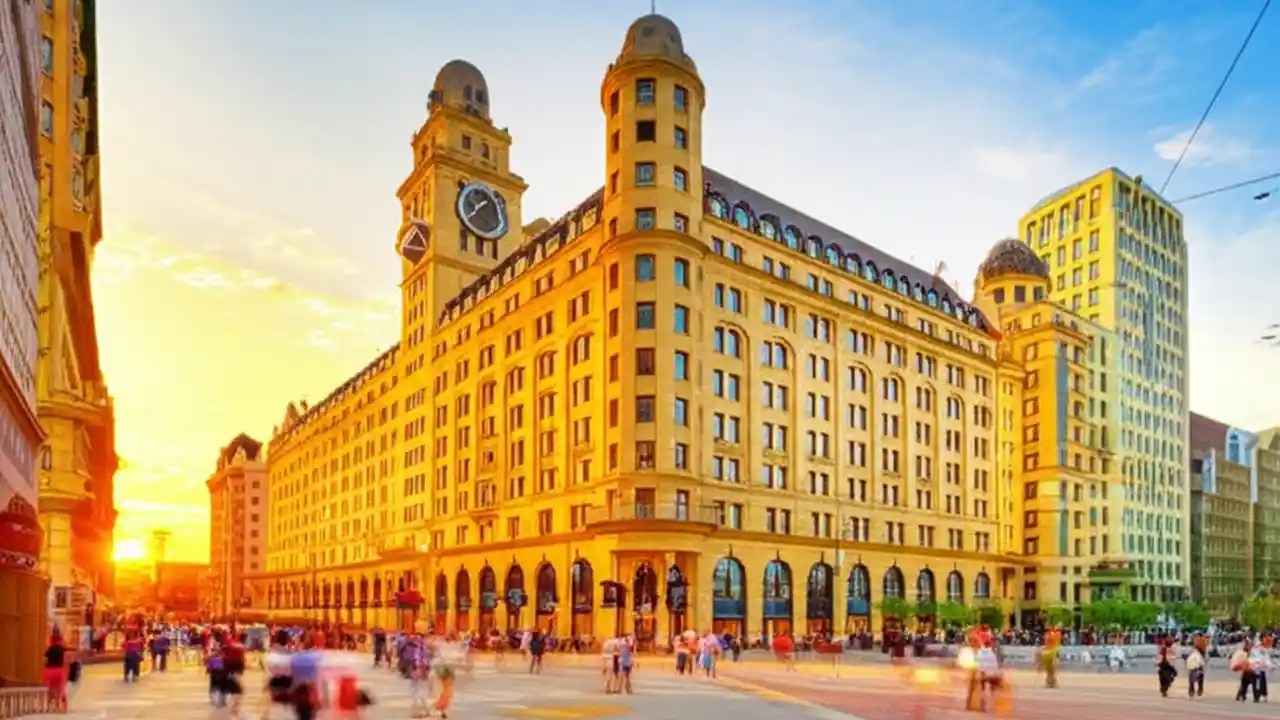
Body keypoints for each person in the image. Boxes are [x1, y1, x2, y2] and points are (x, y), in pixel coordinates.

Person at [43, 632, 69, 712]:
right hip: (59, 671)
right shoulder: (62, 650)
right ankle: (62, 706)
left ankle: (48, 705)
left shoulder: (48, 650)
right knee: (61, 688)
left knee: (51, 688)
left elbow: (45, 661)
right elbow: (65, 662)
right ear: (60, 641)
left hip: (48, 671)